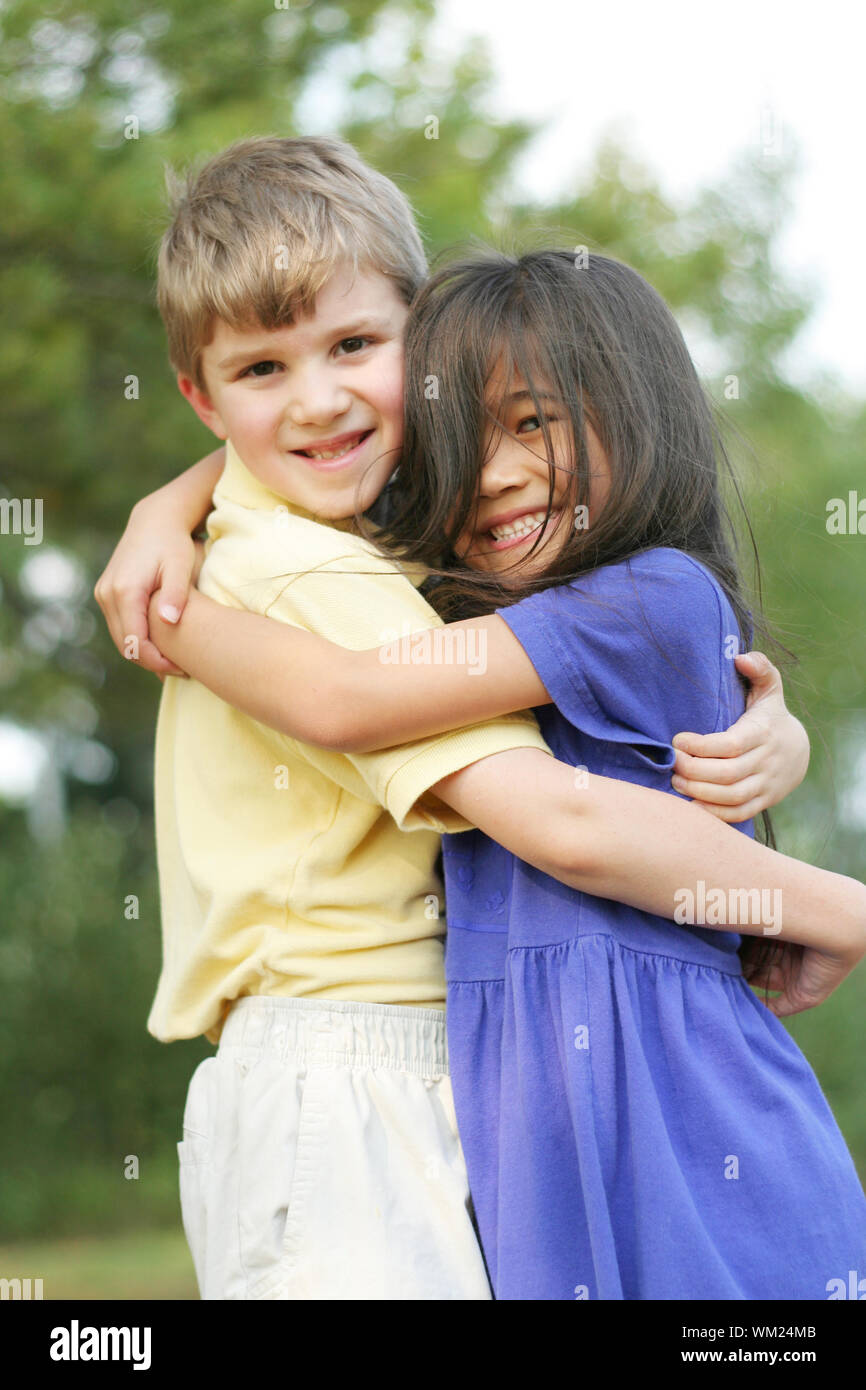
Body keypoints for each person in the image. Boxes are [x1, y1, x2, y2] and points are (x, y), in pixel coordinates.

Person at [126, 247, 866, 1301]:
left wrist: (165, 614)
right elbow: (315, 456)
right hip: (538, 1144)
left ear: (636, 411)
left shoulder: (648, 596)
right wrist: (165, 510)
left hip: (688, 1119)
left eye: (533, 423)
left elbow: (354, 699)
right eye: (457, 447)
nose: (491, 474)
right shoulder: (461, 610)